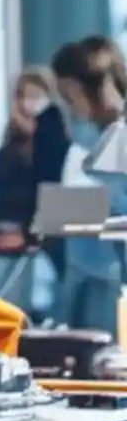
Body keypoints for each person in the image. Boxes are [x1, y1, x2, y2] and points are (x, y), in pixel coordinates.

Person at [51, 35, 127, 338]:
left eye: (70, 95)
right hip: (85, 275)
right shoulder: (85, 137)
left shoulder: (117, 136)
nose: (70, 105)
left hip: (112, 277)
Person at [0, 67, 59, 247]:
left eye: (34, 96)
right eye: (21, 95)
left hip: (38, 241)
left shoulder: (55, 148)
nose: (25, 103)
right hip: (4, 237)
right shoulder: (8, 149)